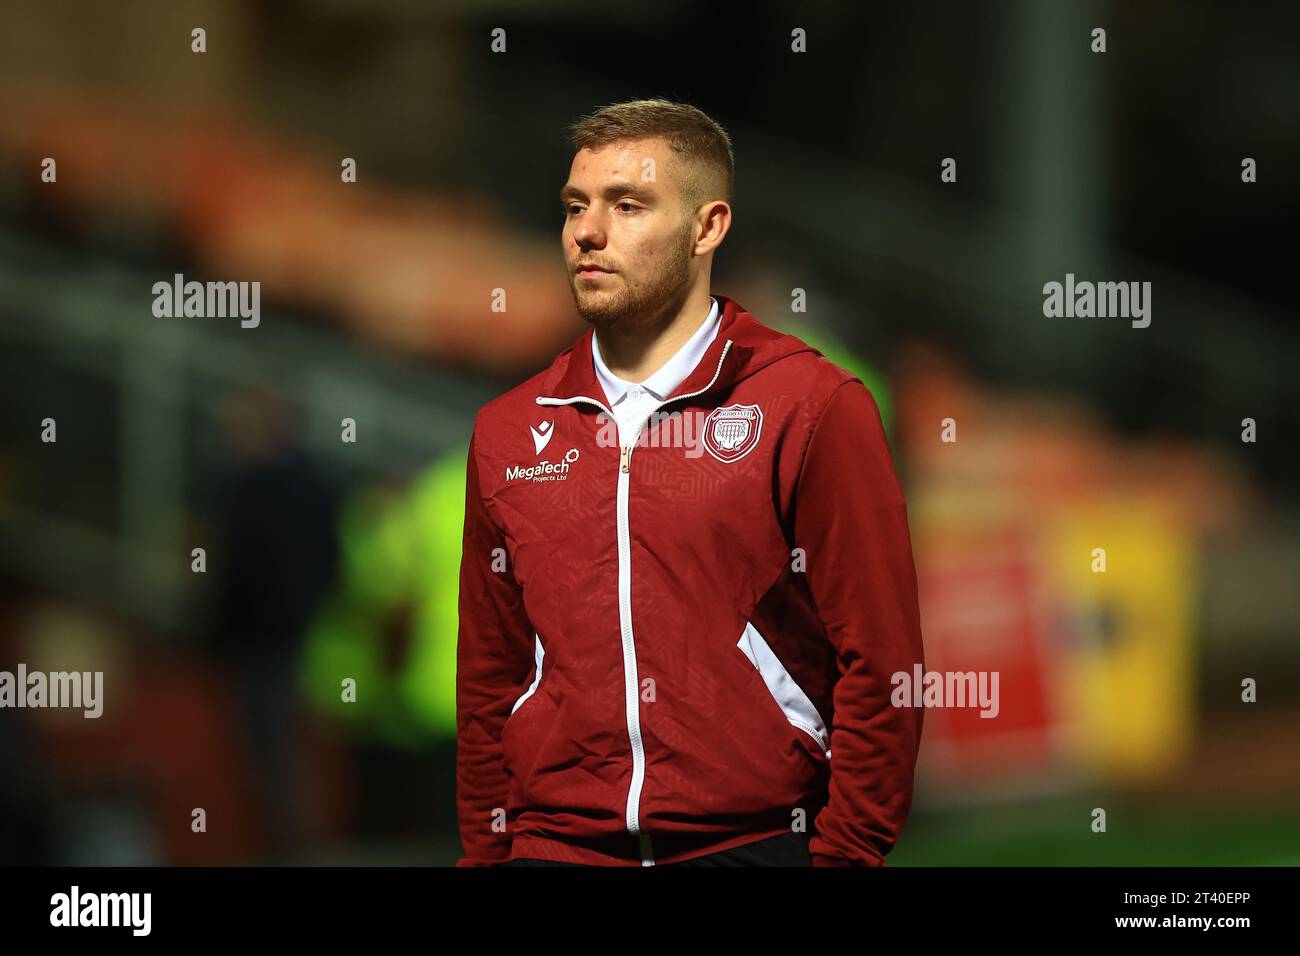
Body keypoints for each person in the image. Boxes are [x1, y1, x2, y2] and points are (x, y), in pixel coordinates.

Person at [455, 99, 924, 867]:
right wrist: (488, 856)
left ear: (708, 228)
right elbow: (487, 682)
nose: (587, 232)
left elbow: (884, 660)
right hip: (557, 848)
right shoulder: (508, 429)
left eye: (627, 205)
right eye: (576, 206)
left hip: (756, 842)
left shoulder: (808, 406)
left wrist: (846, 856)